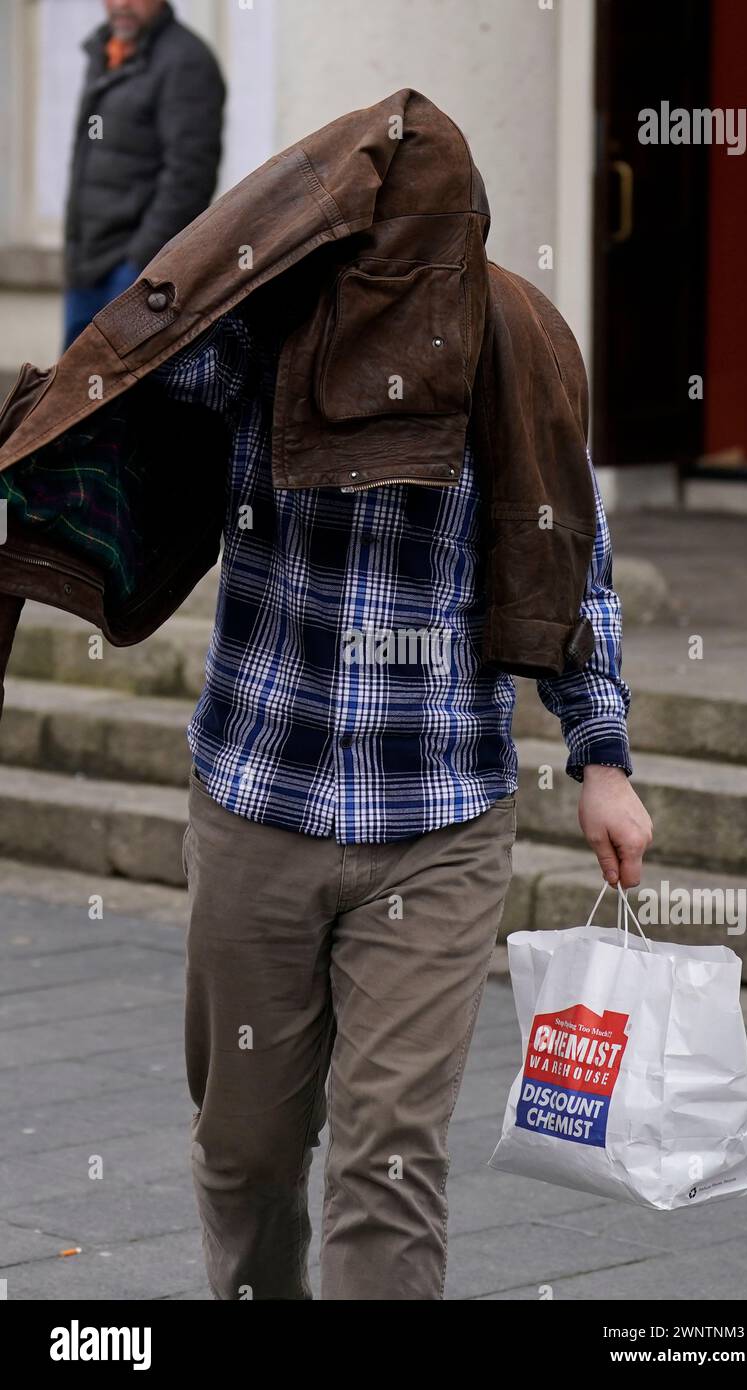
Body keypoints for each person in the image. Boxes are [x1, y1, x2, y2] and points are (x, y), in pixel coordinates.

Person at [0, 88, 654, 1301]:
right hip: (259, 799)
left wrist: (601, 756)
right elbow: (131, 381)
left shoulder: (517, 344)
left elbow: (572, 562)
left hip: (440, 820)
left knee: (390, 1160)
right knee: (246, 1154)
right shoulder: (264, 325)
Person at [62, 0, 224, 348]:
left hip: (133, 272)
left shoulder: (186, 61)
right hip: (86, 264)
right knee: (76, 394)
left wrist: (141, 264)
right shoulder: (104, 49)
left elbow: (189, 176)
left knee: (122, 396)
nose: (121, 4)